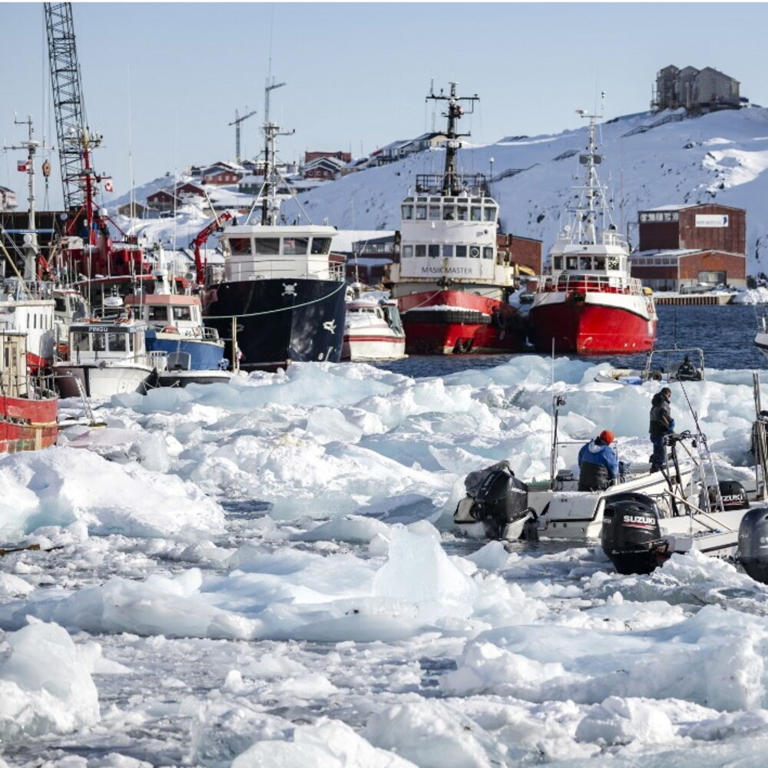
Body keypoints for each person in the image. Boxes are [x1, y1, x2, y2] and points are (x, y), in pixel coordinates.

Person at [649, 387, 675, 472]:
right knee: (661, 453)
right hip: (661, 431)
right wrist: (670, 423)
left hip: (653, 431)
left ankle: (654, 466)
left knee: (657, 450)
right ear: (667, 394)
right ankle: (658, 470)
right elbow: (662, 415)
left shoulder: (655, 402)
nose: (669, 398)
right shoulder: (663, 403)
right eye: (669, 396)